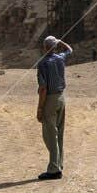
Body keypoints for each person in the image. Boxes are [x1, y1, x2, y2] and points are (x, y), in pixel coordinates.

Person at [35, 35, 73, 180]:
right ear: (55, 47)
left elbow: (43, 88)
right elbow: (70, 49)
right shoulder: (60, 58)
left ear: (44, 47)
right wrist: (59, 41)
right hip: (61, 98)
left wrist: (39, 109)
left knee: (50, 135)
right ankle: (58, 164)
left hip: (50, 100)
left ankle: (54, 169)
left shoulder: (43, 63)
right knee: (59, 133)